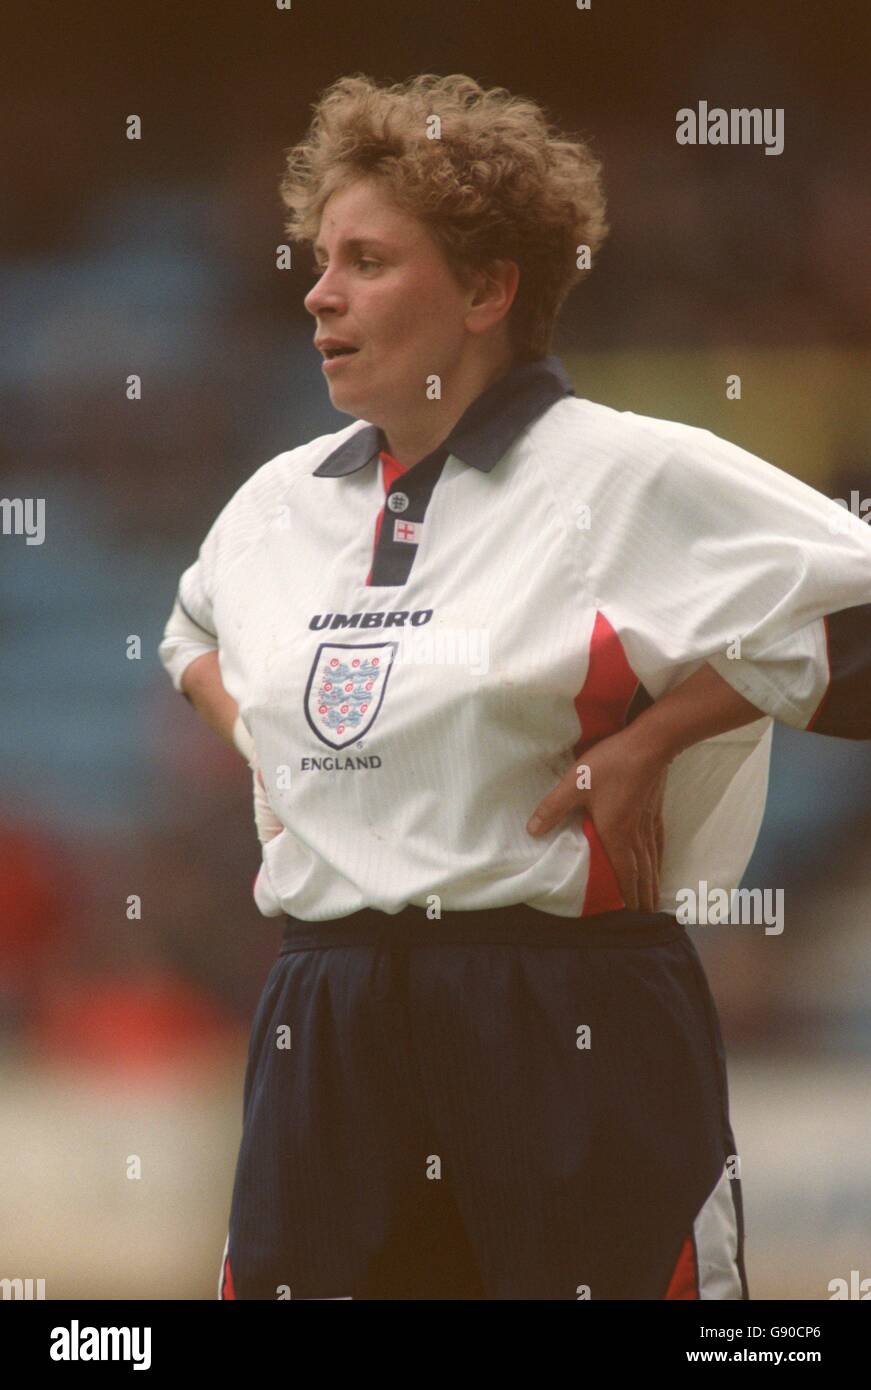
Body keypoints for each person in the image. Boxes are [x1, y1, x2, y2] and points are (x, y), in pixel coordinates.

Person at [158, 73, 871, 1300]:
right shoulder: (275, 502)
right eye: (319, 258)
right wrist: (270, 748)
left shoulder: (631, 473)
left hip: (562, 1014)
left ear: (489, 290)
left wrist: (660, 736)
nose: (319, 293)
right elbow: (187, 636)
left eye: (368, 260)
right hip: (322, 1015)